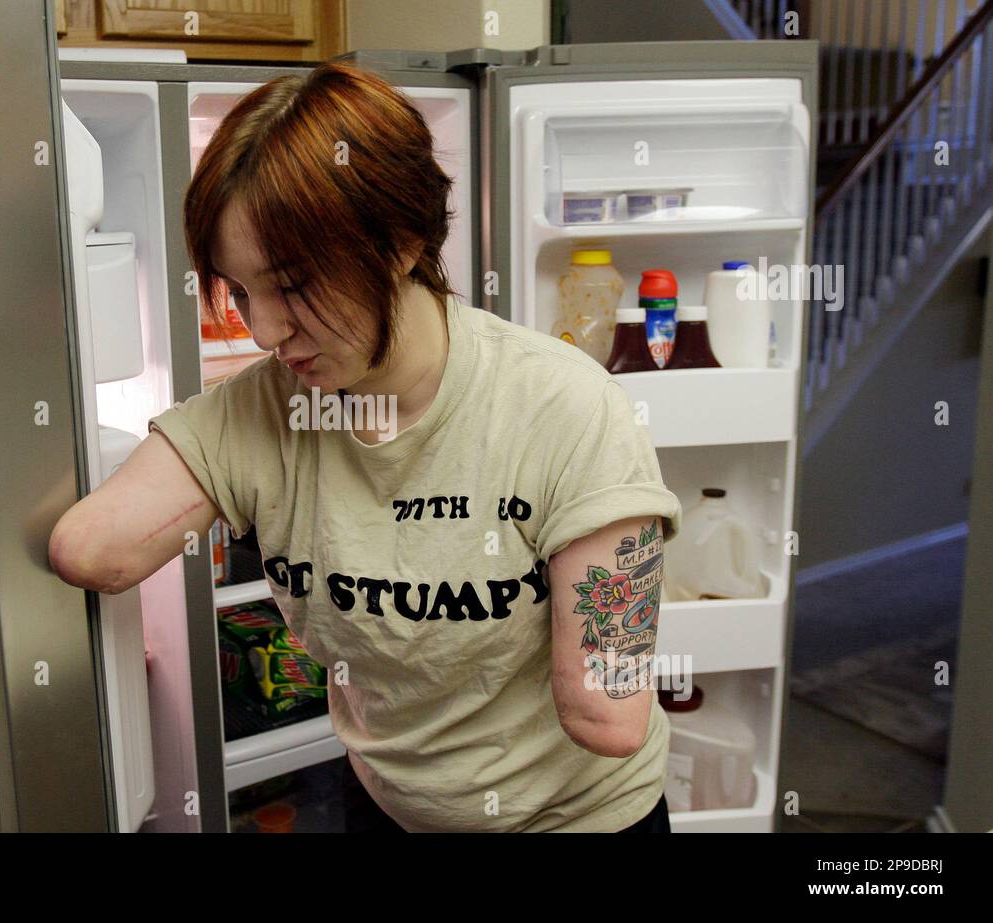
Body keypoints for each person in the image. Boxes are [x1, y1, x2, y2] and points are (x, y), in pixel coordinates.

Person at [49, 61, 682, 833]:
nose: (265, 332)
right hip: (391, 807)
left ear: (403, 239)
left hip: (580, 822)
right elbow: (91, 550)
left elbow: (608, 714)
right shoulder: (261, 410)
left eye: (294, 284)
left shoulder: (565, 408)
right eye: (242, 291)